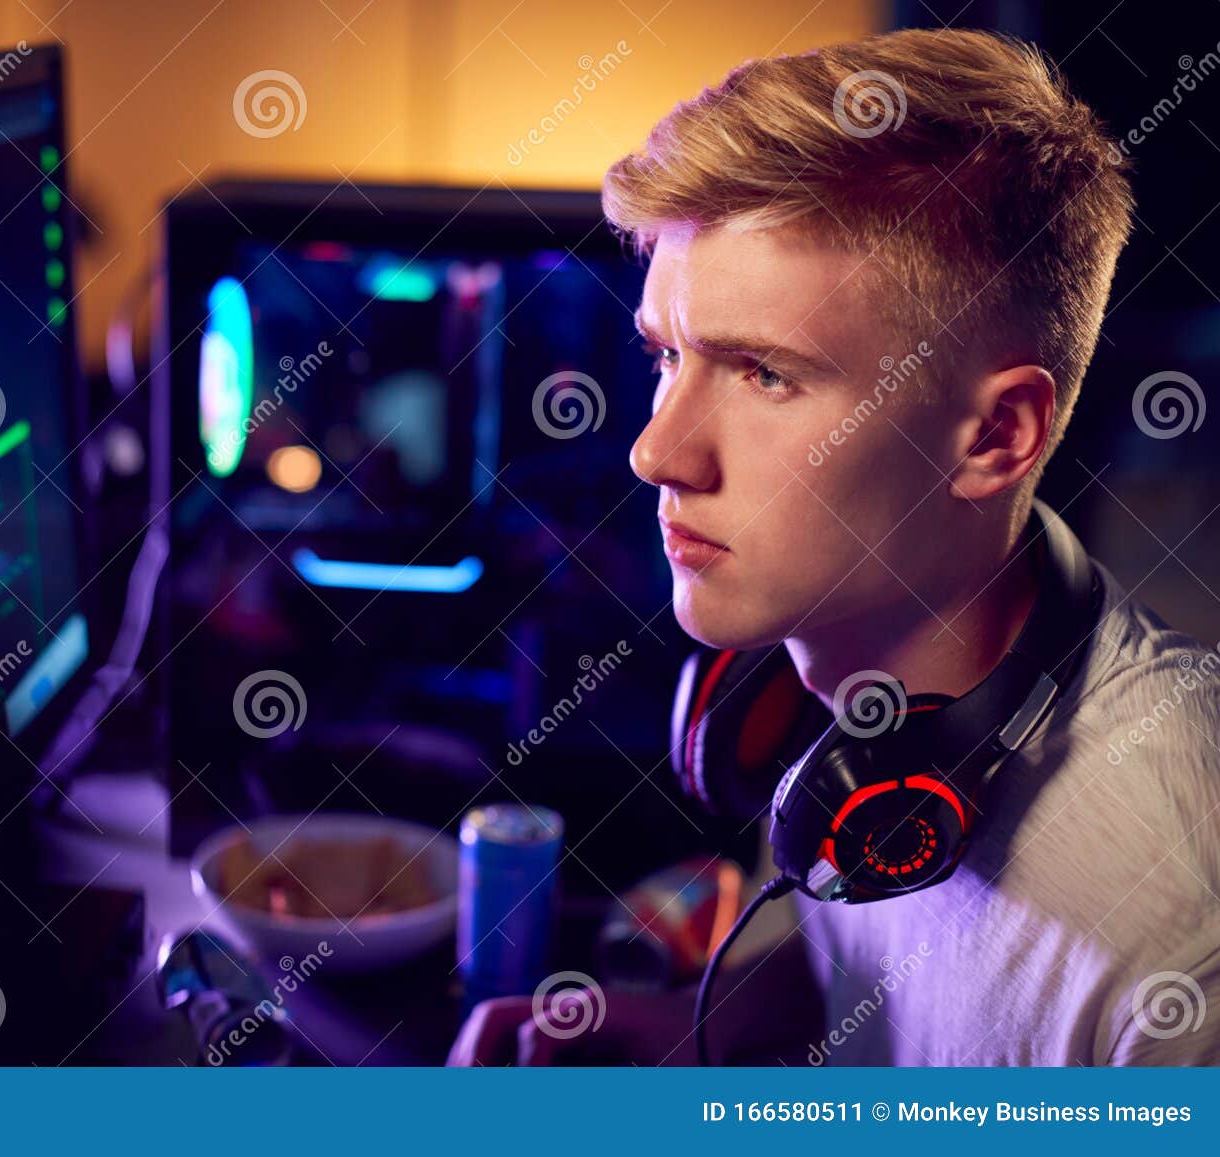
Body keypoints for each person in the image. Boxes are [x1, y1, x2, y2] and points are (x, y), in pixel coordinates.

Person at [449, 26, 1220, 1066]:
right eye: (665, 355)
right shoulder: (868, 725)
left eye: (764, 373)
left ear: (994, 437)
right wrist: (697, 1034)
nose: (655, 451)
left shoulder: (1173, 952)